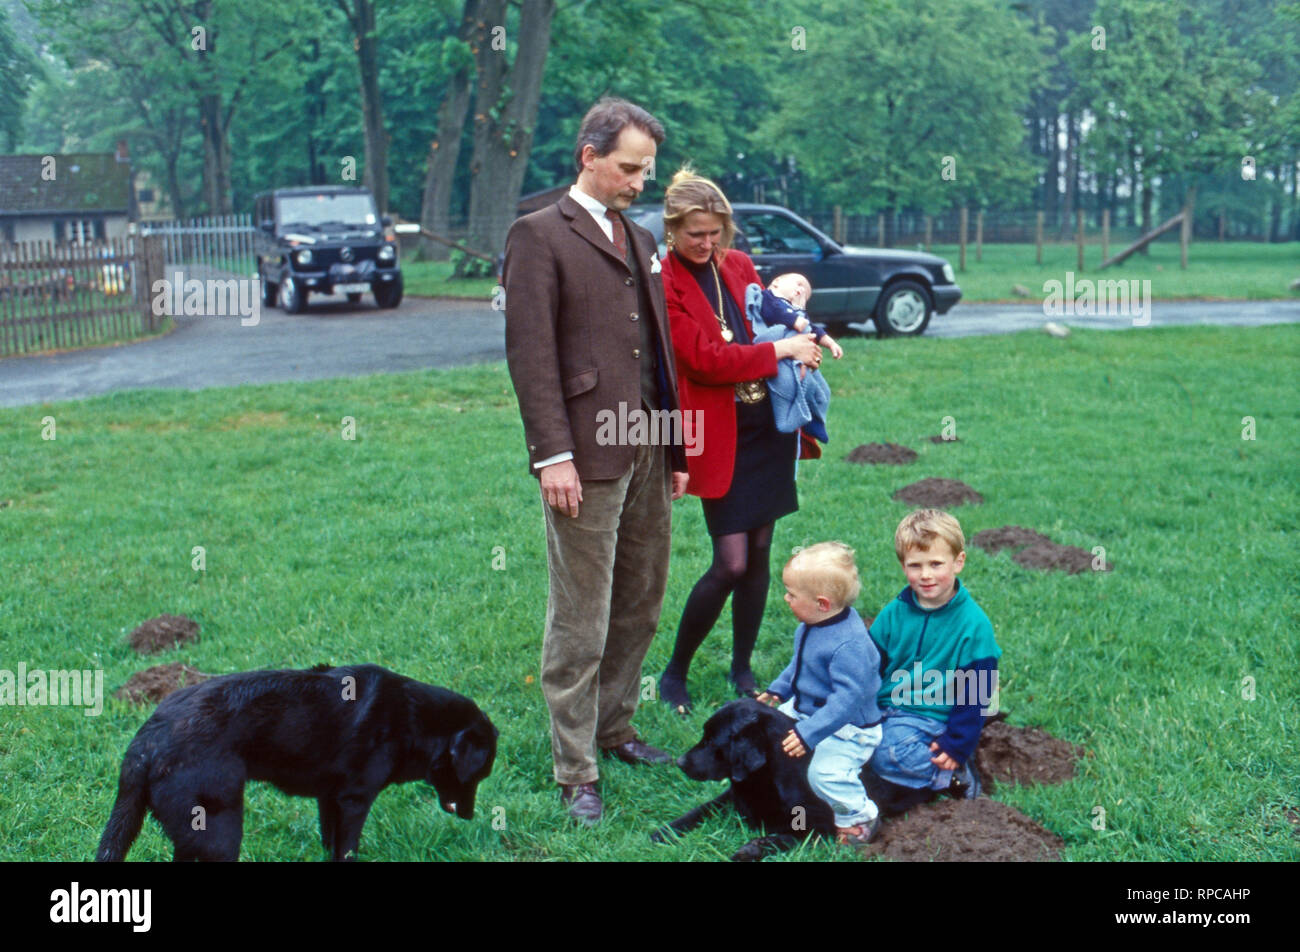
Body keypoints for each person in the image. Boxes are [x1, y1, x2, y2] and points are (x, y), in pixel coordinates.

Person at [502, 98, 690, 826]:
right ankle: (575, 768)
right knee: (581, 615)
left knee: (641, 599)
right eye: (628, 167)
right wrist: (552, 454)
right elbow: (531, 355)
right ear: (588, 155)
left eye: (646, 170)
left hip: (648, 446)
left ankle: (617, 728)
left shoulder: (639, 236)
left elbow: (660, 354)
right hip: (582, 452)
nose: (640, 181)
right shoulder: (538, 235)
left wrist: (676, 447)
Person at [655, 168, 832, 714]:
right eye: (695, 235)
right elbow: (705, 361)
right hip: (720, 434)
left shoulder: (737, 264)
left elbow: (774, 315)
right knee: (730, 561)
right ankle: (674, 673)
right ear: (672, 231)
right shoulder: (664, 281)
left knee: (759, 554)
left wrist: (811, 334)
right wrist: (784, 351)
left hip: (768, 430)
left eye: (715, 233)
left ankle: (742, 666)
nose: (707, 245)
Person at [864, 509, 1002, 815]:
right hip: (887, 709)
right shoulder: (894, 613)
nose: (926, 575)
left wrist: (958, 743)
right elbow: (868, 666)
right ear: (903, 566)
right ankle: (903, 783)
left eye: (936, 564)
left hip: (932, 716)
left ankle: (952, 774)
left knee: (885, 752)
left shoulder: (973, 625)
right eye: (916, 565)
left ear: (958, 562)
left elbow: (977, 694)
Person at [756, 542, 884, 845]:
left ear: (822, 603)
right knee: (765, 731)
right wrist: (779, 688)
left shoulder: (849, 646)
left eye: (791, 594)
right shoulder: (811, 625)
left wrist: (807, 733)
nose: (785, 598)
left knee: (824, 775)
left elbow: (846, 703)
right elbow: (798, 665)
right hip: (810, 710)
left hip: (849, 730)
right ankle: (773, 791)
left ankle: (858, 816)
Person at [758, 273, 843, 362]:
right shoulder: (767, 296)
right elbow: (771, 311)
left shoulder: (794, 309)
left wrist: (831, 343)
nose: (801, 290)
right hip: (773, 349)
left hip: (791, 353)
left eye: (804, 296)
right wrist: (794, 319)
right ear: (777, 282)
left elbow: (812, 329)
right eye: (799, 284)